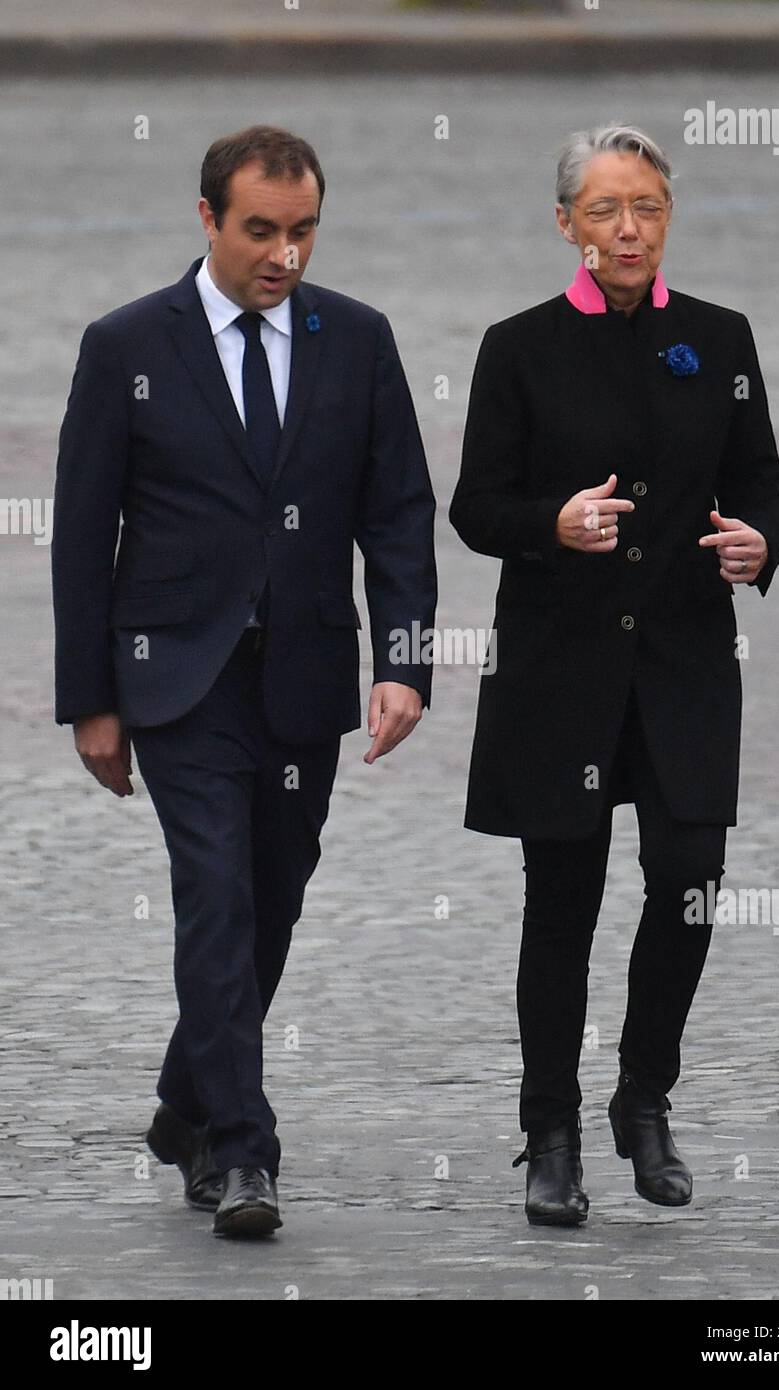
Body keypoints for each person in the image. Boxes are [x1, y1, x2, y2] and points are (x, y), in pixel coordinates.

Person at [51, 125, 437, 1238]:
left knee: (270, 901)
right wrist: (91, 700)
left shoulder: (355, 341)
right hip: (175, 678)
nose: (286, 254)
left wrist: (405, 661)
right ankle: (239, 1149)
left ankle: (185, 1100)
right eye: (262, 230)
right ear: (209, 218)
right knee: (214, 893)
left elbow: (396, 511)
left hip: (305, 677)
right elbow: (83, 535)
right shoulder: (126, 342)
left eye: (304, 229)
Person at [449, 123, 779, 1227]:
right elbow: (476, 508)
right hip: (562, 668)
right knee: (563, 902)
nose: (628, 228)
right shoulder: (519, 345)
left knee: (689, 878)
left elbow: (763, 486)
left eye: (644, 206)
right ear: (566, 226)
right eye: (604, 210)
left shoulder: (721, 338)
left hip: (685, 660)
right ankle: (548, 1128)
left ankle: (643, 1098)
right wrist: (551, 522)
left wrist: (758, 545)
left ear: (666, 216)